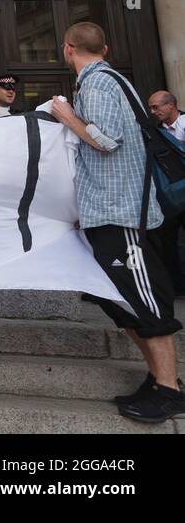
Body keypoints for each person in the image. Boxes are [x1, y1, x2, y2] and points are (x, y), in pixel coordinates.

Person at [48, 22, 184, 423]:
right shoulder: (104, 80)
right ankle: (159, 380)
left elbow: (106, 140)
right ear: (104, 47)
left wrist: (67, 116)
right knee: (122, 300)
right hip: (106, 210)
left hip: (120, 211)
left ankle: (169, 390)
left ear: (67, 48)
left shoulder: (98, 84)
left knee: (145, 299)